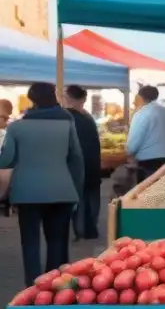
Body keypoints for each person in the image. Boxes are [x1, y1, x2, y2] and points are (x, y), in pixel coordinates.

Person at [0, 83, 84, 286]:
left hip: (26, 193)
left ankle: (34, 288)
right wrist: (76, 192)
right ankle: (55, 288)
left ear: (32, 99)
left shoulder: (16, 127)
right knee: (57, 242)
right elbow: (77, 159)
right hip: (62, 191)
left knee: (30, 243)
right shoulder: (67, 122)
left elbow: (6, 161)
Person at [64, 85, 103, 240]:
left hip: (77, 164)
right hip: (93, 162)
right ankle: (90, 228)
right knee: (92, 196)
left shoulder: (67, 117)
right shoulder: (88, 117)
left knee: (79, 197)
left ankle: (81, 230)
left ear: (67, 97)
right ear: (84, 99)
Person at [127, 85, 165, 180]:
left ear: (140, 98)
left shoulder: (141, 114)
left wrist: (128, 154)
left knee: (147, 193)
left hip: (147, 165)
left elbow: (132, 144)